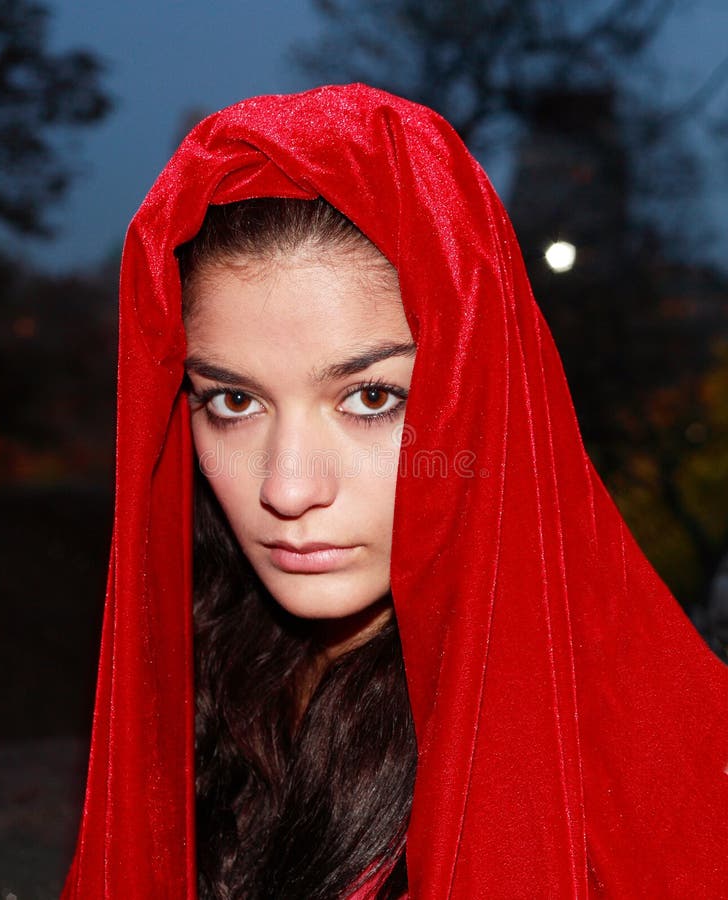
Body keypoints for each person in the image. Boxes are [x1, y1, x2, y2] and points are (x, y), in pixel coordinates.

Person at [62, 84, 728, 899]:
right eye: (233, 401)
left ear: (477, 396)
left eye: (372, 398)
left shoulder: (649, 752)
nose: (289, 486)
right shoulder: (178, 684)